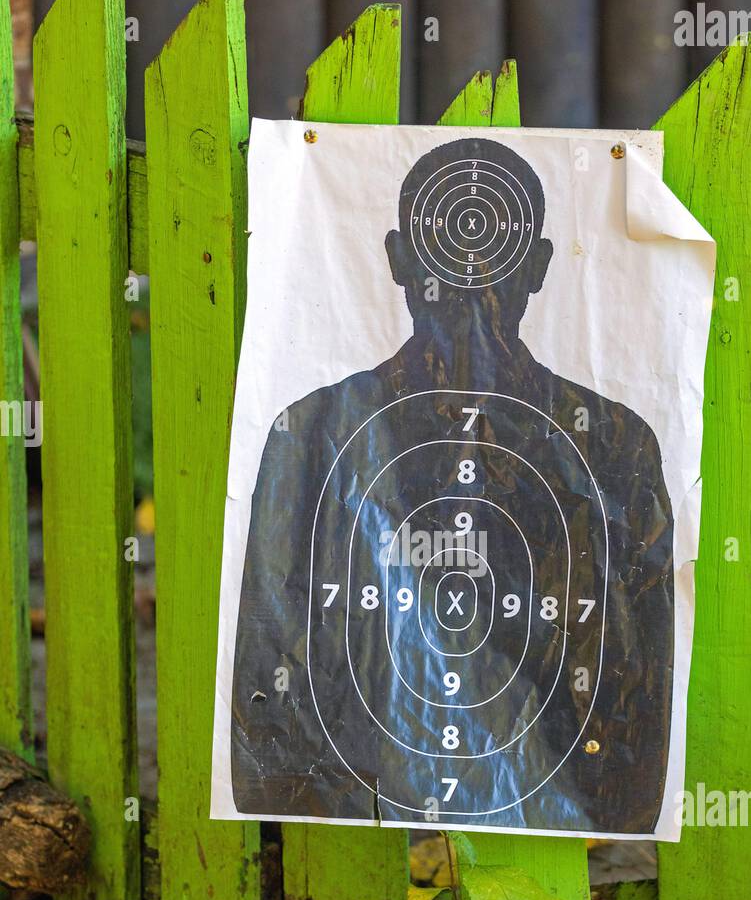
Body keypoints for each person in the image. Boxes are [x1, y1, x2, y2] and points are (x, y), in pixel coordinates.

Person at [231, 137, 673, 836]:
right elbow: (268, 664)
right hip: (363, 808)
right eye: (448, 238)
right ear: (398, 258)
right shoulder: (312, 429)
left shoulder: (615, 442)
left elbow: (638, 689)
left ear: (537, 266)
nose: (469, 280)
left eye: (493, 243)